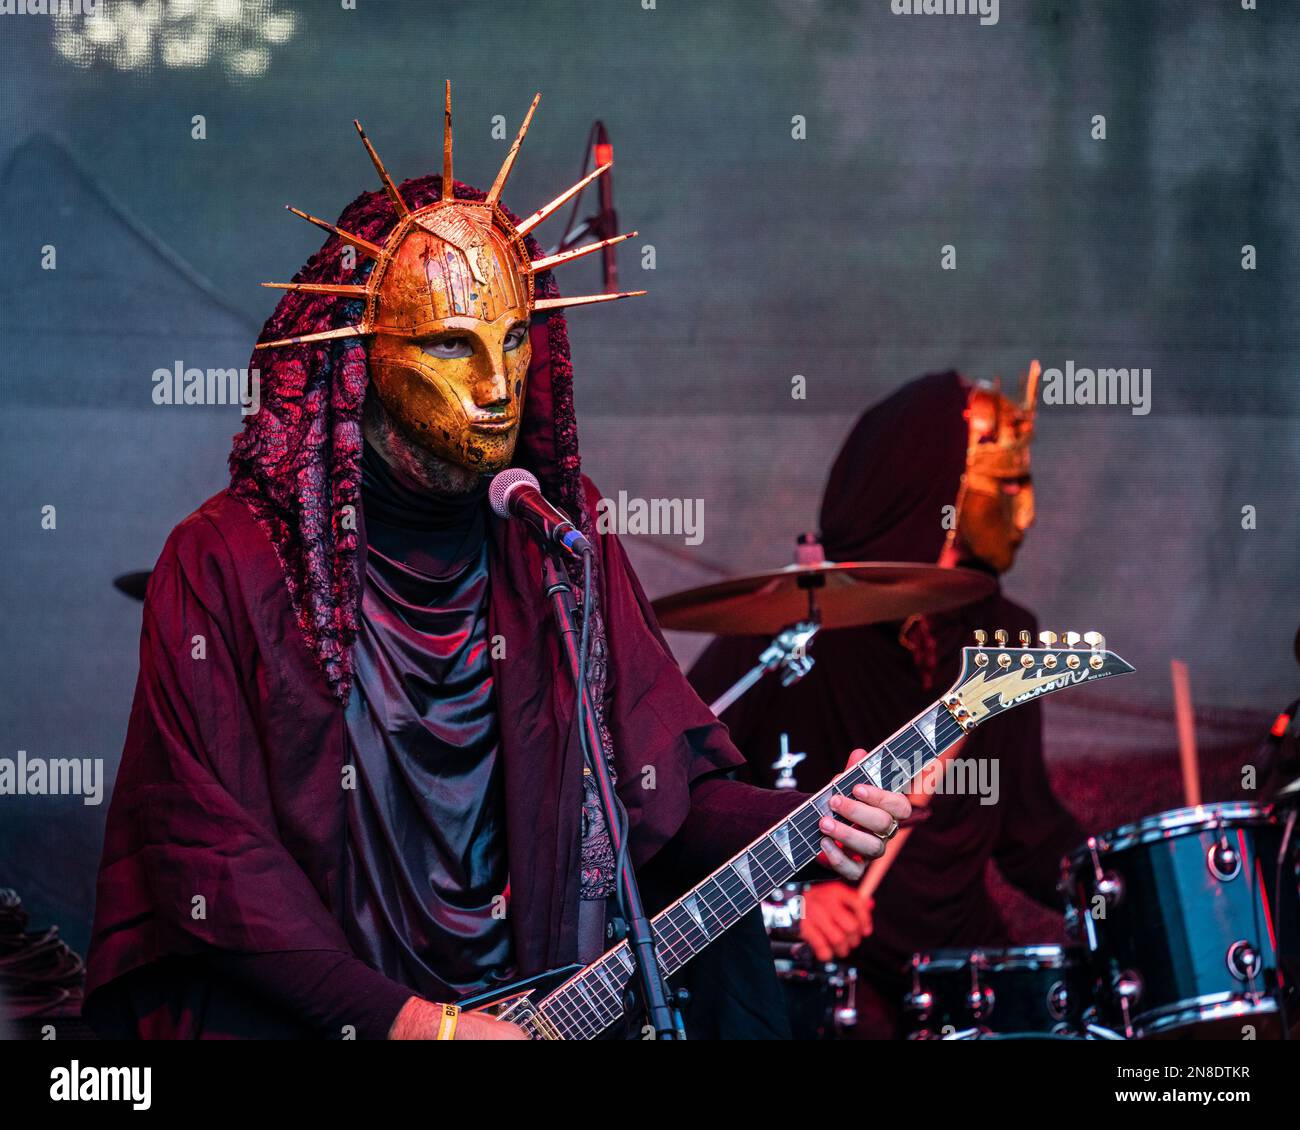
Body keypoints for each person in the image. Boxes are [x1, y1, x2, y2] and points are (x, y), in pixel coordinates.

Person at [82, 87, 909, 1040]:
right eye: (448, 344)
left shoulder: (554, 534)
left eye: (513, 340)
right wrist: (411, 1026)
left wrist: (810, 818)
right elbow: (211, 866)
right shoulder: (226, 560)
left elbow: (660, 799)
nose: (495, 386)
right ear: (358, 354)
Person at [688, 368, 1083, 1038]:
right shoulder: (790, 631)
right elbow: (679, 806)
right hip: (828, 989)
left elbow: (1028, 835)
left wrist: (1144, 885)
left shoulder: (1005, 638)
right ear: (939, 495)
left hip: (967, 982)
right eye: (1007, 484)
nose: (1028, 510)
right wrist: (787, 907)